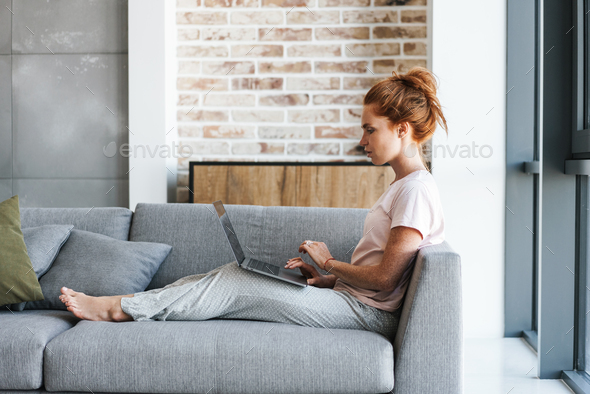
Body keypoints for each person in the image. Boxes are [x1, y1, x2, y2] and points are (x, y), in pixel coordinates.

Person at [59, 66, 448, 342]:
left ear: (402, 129)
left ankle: (118, 309)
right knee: (234, 270)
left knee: (237, 280)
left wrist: (329, 262)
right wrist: (325, 279)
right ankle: (132, 304)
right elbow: (375, 276)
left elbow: (385, 281)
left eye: (369, 129)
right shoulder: (403, 186)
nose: (362, 140)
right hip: (350, 301)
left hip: (367, 317)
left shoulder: (415, 190)